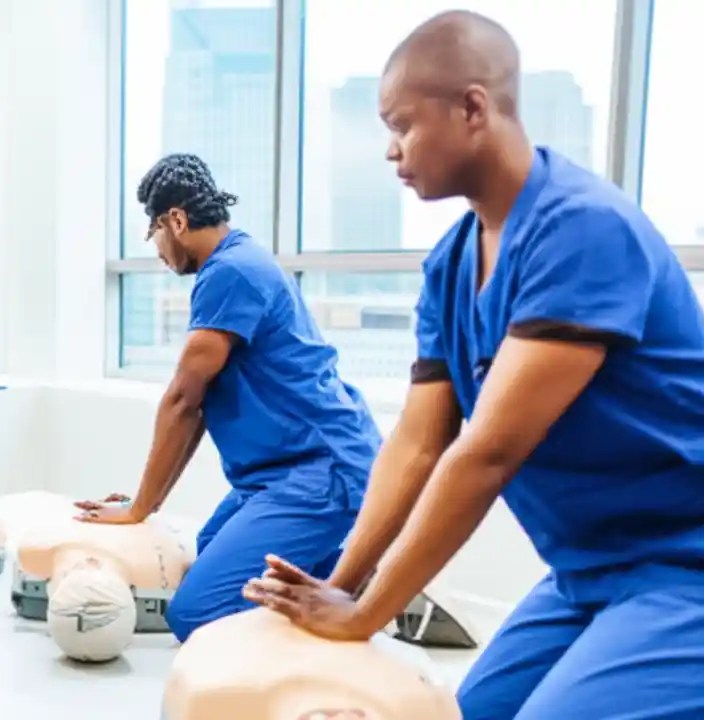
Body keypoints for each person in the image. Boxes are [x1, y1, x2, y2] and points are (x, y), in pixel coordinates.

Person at [244, 11, 704, 720]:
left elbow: (485, 451)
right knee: (479, 708)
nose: (391, 151)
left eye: (401, 125)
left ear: (471, 108)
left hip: (684, 567)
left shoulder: (583, 228)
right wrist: (341, 586)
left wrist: (367, 616)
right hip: (587, 571)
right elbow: (419, 443)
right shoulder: (451, 265)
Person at [77, 154, 382, 643]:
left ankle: (366, 595)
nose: (156, 249)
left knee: (198, 612)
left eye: (153, 230)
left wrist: (139, 509)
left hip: (320, 470)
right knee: (211, 545)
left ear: (175, 220)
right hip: (278, 474)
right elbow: (195, 406)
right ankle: (345, 581)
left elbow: (181, 400)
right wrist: (145, 501)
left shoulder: (231, 271)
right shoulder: (234, 264)